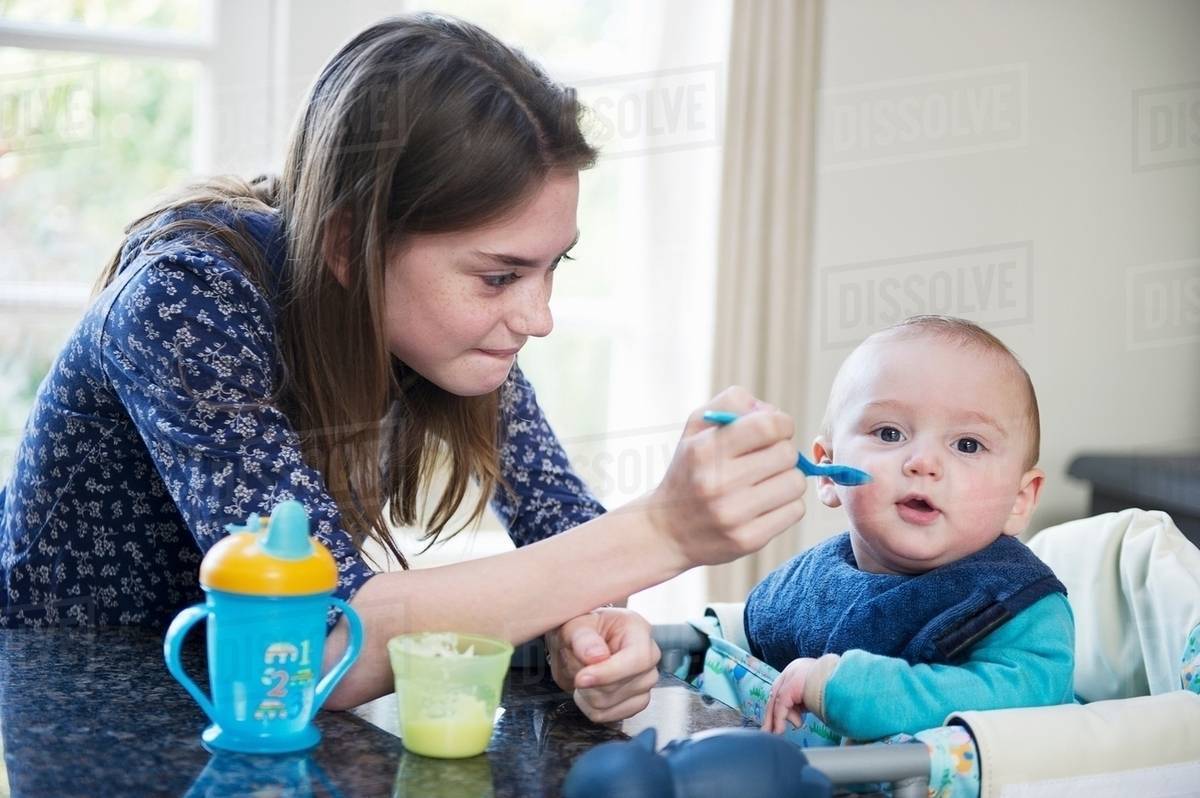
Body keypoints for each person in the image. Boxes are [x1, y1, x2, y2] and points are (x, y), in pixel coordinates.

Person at [0, 14, 808, 719]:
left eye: (553, 266)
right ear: (350, 243)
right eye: (499, 276)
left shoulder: (434, 329)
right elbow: (322, 646)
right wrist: (664, 530)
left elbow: (566, 529)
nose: (539, 316)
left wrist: (595, 631)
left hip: (245, 727)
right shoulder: (185, 303)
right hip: (65, 706)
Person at [749, 315, 1074, 741]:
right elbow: (747, 639)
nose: (923, 462)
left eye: (968, 444)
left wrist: (840, 688)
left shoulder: (1017, 602)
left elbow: (1020, 702)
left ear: (1019, 500)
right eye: (888, 433)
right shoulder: (815, 581)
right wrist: (698, 637)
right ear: (827, 474)